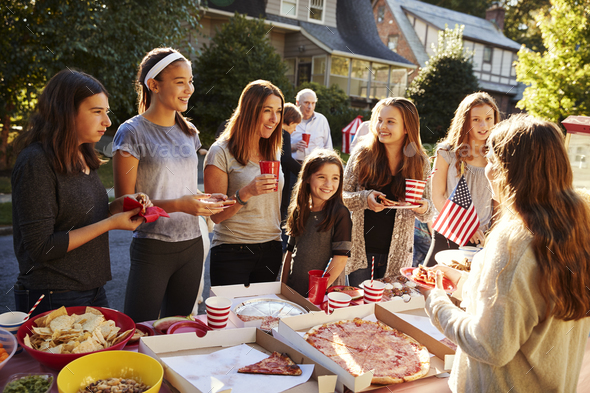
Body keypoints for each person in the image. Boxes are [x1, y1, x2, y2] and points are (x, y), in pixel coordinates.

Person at [423, 114, 590, 392]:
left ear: (508, 169)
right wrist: (466, 283)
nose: (486, 168)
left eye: (491, 159)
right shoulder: (576, 227)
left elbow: (489, 346)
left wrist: (435, 299)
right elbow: (527, 303)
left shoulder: (515, 242)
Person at [11, 69, 148, 317]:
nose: (107, 121)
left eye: (106, 112)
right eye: (97, 112)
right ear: (65, 112)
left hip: (93, 289)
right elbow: (42, 247)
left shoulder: (81, 155)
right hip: (54, 296)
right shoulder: (36, 162)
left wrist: (119, 206)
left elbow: (82, 218)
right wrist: (109, 223)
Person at [113, 48, 228, 322]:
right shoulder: (131, 132)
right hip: (153, 247)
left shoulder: (190, 132)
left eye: (190, 81)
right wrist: (179, 205)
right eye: (180, 81)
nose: (189, 89)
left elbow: (184, 190)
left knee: (178, 329)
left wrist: (204, 199)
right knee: (139, 329)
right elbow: (124, 205)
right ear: (153, 84)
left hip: (192, 245)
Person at [343, 97, 434, 287]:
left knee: (388, 308)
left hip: (398, 256)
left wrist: (423, 208)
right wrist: (364, 198)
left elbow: (428, 210)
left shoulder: (420, 162)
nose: (382, 126)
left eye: (390, 122)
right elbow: (341, 196)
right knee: (359, 308)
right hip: (360, 252)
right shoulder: (362, 155)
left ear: (407, 127)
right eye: (379, 120)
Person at [204, 80, 284, 287]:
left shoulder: (273, 151)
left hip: (271, 248)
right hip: (232, 251)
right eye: (267, 110)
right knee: (228, 318)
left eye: (278, 111)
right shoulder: (220, 151)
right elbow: (216, 215)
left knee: (261, 318)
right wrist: (245, 193)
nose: (274, 119)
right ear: (249, 111)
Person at [425, 92, 500, 266]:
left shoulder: (498, 156)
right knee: (430, 285)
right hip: (449, 231)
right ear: (465, 121)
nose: (484, 125)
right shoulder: (445, 152)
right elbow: (437, 196)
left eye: (489, 118)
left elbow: (498, 203)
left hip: (481, 239)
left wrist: (492, 235)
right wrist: (466, 226)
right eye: (476, 120)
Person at [281, 149, 352, 297]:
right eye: (321, 177)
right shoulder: (299, 211)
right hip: (294, 291)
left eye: (335, 178)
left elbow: (340, 260)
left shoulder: (341, 214)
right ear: (307, 178)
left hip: (322, 296)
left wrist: (315, 293)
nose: (328, 184)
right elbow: (289, 252)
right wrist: (283, 287)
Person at [280, 103, 302, 249]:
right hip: (283, 177)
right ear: (289, 120)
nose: (295, 129)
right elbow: (286, 159)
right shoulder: (284, 133)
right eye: (294, 124)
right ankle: (283, 244)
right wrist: (304, 172)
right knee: (284, 211)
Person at [291, 88, 333, 162]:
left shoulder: (321, 120)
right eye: (306, 103)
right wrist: (294, 146)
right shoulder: (289, 120)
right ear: (297, 103)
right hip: (293, 164)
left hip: (316, 165)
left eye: (313, 103)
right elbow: (280, 147)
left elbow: (328, 147)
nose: (310, 107)